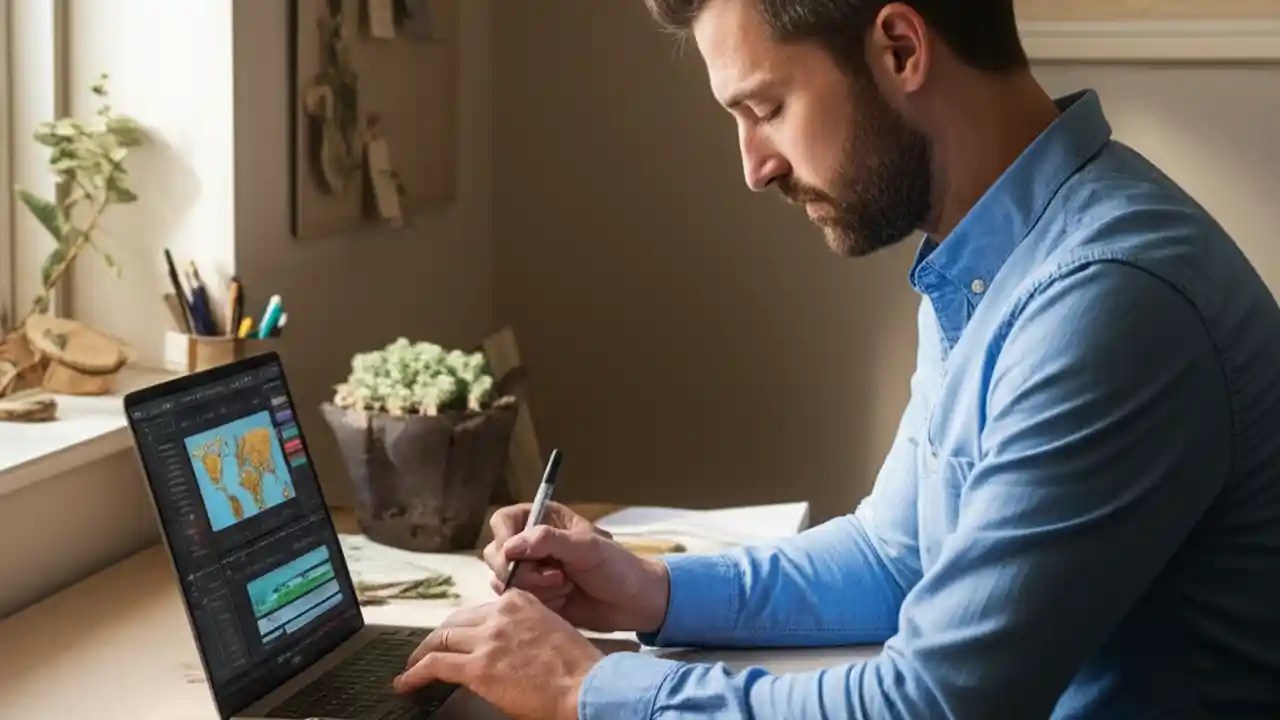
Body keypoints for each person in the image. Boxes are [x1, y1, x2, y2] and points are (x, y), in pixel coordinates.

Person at [394, 0, 1280, 717]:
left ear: (898, 48)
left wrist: (584, 687)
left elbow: (934, 706)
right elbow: (900, 557)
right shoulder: (999, 260)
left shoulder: (1107, 300)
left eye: (766, 108)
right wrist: (648, 591)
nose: (753, 167)